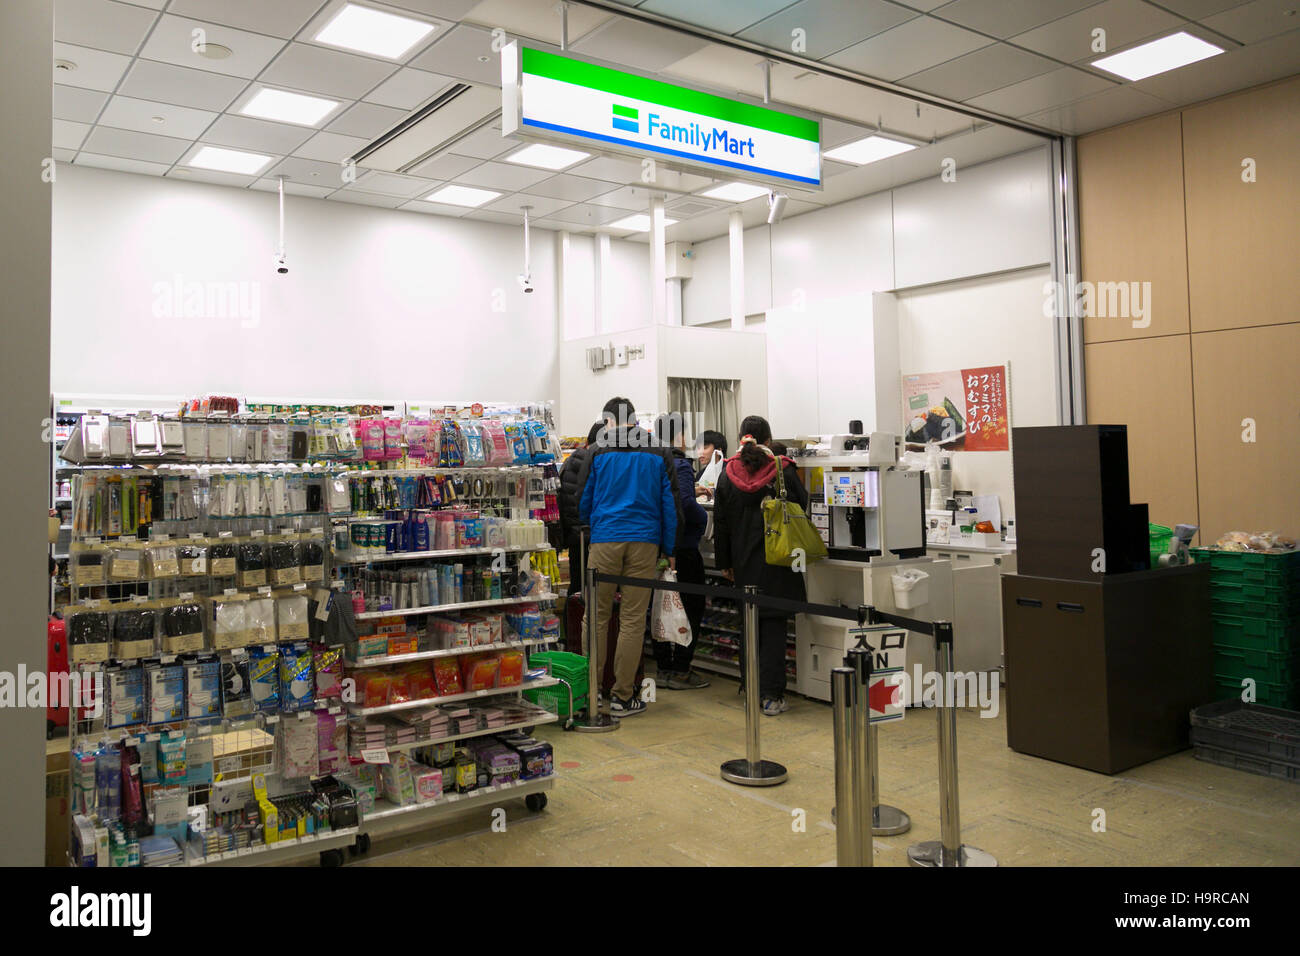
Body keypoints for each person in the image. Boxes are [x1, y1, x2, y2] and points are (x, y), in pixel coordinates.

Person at [578, 397, 679, 718]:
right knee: (633, 620)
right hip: (645, 542)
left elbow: (583, 502)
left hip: (605, 538)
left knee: (595, 616)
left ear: (608, 421)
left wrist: (592, 528)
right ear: (635, 420)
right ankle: (622, 697)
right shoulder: (659, 451)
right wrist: (669, 549)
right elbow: (670, 507)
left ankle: (591, 693)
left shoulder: (596, 451)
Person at [712, 415, 808, 716]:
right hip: (777, 561)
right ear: (768, 440)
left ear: (741, 437)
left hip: (742, 563)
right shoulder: (783, 471)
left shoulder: (727, 473)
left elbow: (722, 524)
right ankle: (771, 696)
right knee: (774, 629)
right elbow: (802, 506)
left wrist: (725, 563)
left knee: (748, 627)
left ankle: (750, 691)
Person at [653, 413, 711, 690]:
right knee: (690, 608)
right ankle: (682, 669)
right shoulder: (681, 465)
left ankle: (663, 667)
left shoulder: (653, 462)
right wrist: (704, 520)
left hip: (657, 548)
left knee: (661, 606)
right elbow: (686, 505)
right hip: (685, 548)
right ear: (679, 436)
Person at [557, 421, 605, 596]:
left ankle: (574, 621)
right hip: (591, 535)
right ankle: (587, 621)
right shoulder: (593, 462)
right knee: (595, 588)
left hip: (575, 536)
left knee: (577, 584)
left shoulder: (571, 461)